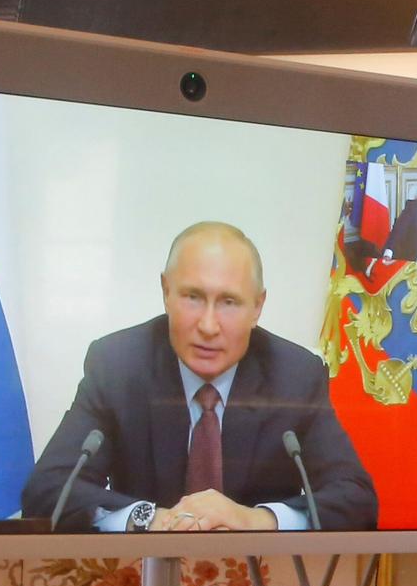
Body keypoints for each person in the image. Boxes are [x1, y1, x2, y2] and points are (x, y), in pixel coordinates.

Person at [22, 221, 376, 532]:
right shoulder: (118, 365)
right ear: (165, 292)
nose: (208, 326)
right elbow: (48, 490)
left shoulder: (294, 375)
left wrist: (257, 520)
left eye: (229, 302)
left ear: (257, 306)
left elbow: (357, 500)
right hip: (138, 580)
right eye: (193, 297)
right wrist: (148, 519)